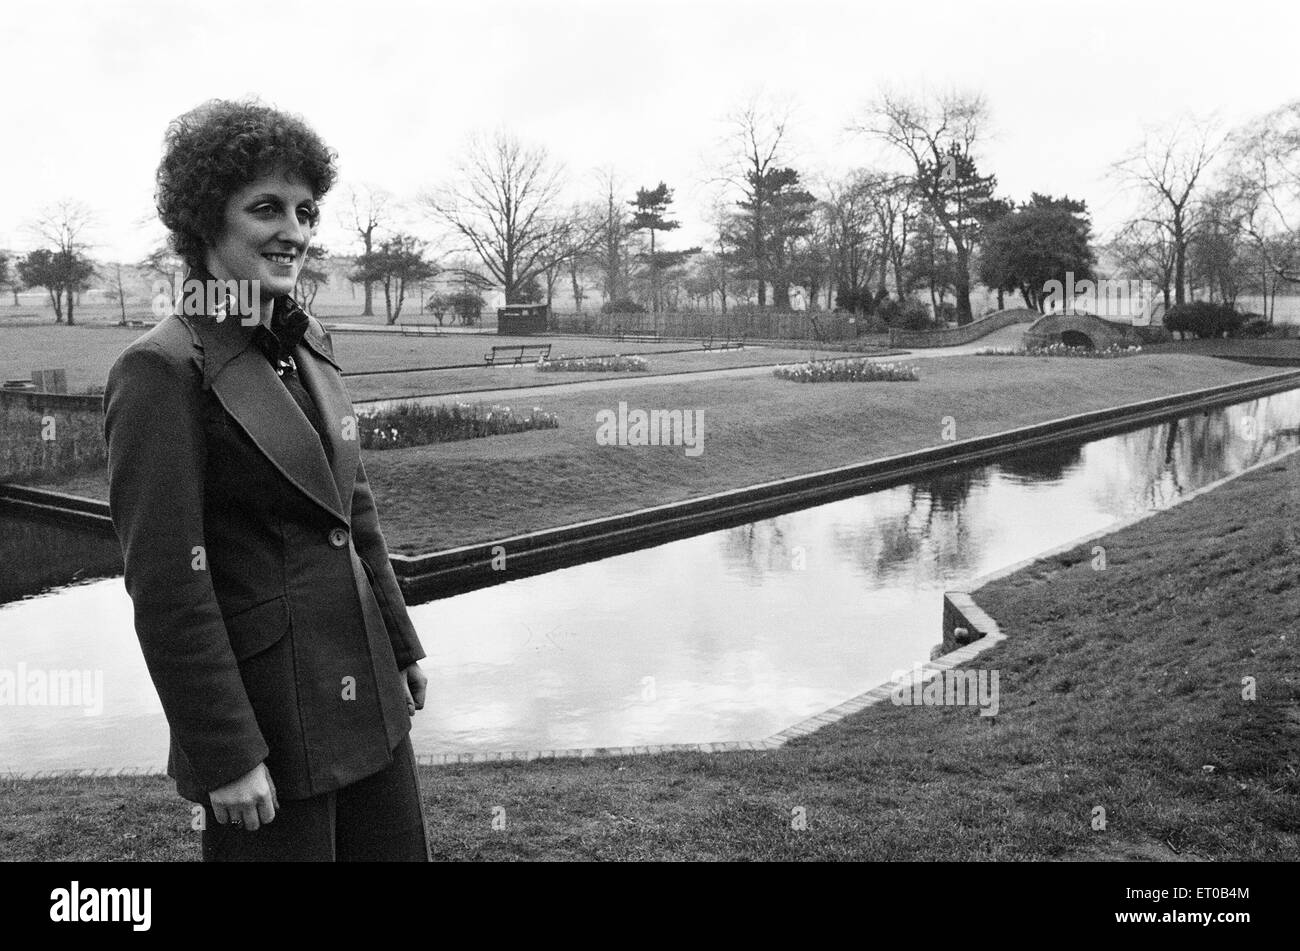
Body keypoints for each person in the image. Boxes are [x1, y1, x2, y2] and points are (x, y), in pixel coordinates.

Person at [103, 99, 430, 861]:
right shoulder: (159, 368)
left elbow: (352, 508)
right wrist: (227, 753)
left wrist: (401, 643)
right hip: (270, 724)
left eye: (306, 209)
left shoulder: (307, 340)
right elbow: (166, 585)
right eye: (266, 207)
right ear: (204, 219)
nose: (295, 229)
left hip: (369, 693)